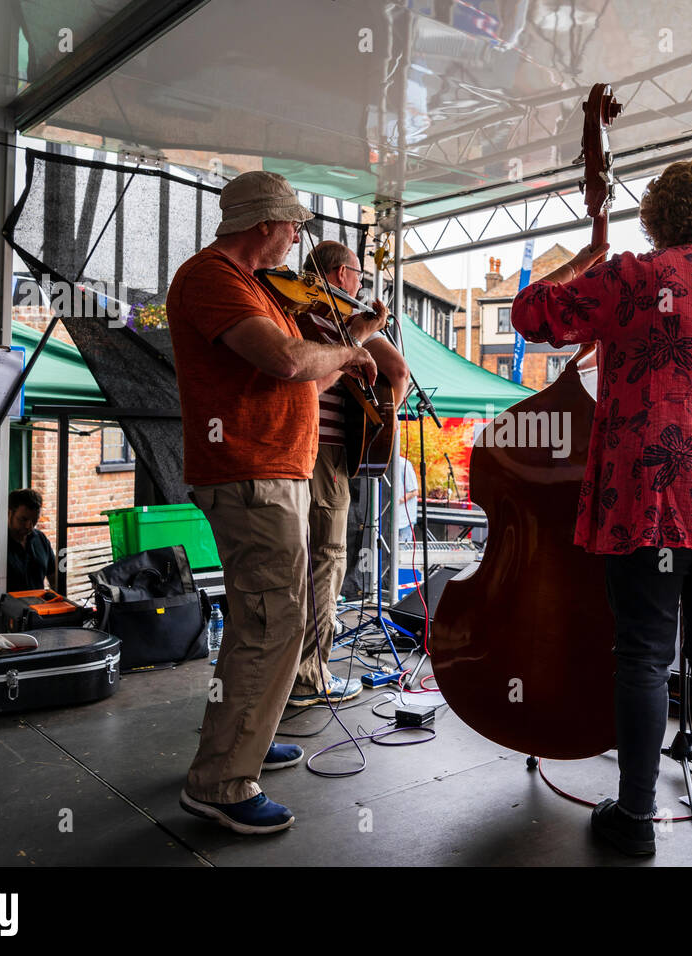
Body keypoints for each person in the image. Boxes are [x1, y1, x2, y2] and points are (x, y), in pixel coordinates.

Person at [510, 159, 692, 856]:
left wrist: (587, 254)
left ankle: (635, 821)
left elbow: (530, 314)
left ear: (656, 217)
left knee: (642, 651)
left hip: (659, 479)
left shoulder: (630, 275)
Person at [170, 170, 378, 835]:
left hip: (271, 470)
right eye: (295, 225)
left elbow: (290, 383)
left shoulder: (258, 287)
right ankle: (223, 780)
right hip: (248, 471)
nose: (299, 237)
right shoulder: (213, 278)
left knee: (261, 620)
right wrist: (346, 352)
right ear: (268, 225)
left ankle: (245, 744)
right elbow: (287, 362)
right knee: (271, 621)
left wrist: (345, 346)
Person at [285, 241, 410, 711]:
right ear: (340, 275)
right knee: (328, 558)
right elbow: (397, 370)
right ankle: (307, 677)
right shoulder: (327, 320)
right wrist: (385, 427)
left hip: (298, 452)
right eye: (357, 275)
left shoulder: (294, 314)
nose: (361, 284)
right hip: (324, 451)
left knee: (298, 563)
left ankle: (293, 675)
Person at [6, 488, 56, 593]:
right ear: (9, 513)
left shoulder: (41, 539)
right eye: (23, 520)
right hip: (8, 608)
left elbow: (54, 578)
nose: (29, 526)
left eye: (34, 520)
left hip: (38, 607)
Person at [396, 453, 420, 543]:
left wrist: (397, 501)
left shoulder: (403, 464)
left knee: (403, 552)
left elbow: (414, 491)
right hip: (391, 520)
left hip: (404, 520)